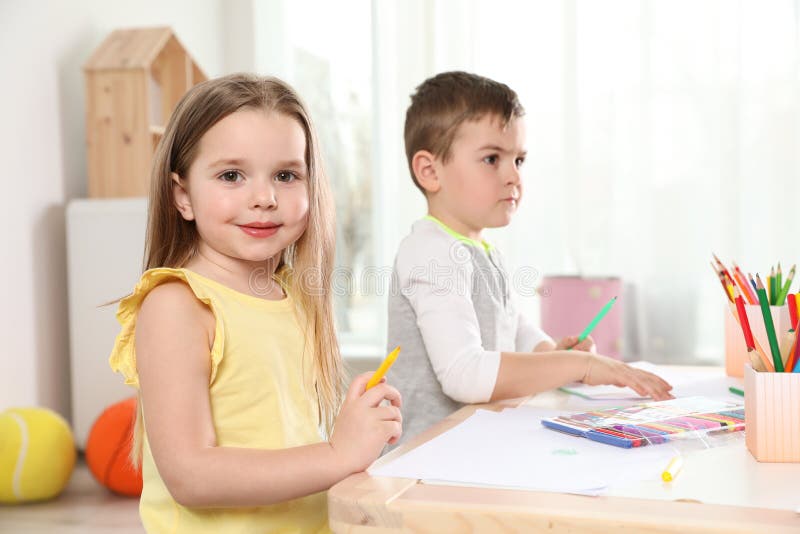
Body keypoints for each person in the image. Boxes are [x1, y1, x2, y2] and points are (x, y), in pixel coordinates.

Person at [109, 73, 401, 532]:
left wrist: (354, 433)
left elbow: (287, 442)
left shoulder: (295, 297)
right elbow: (191, 476)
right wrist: (337, 453)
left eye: (286, 175)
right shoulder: (177, 306)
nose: (264, 198)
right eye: (231, 175)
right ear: (183, 196)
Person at [387, 71, 672, 446]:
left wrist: (550, 353)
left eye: (518, 160)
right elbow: (463, 374)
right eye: (492, 159)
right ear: (430, 171)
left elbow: (511, 328)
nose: (513, 176)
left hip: (472, 449)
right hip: (422, 458)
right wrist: (579, 365)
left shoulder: (482, 250)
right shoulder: (430, 251)